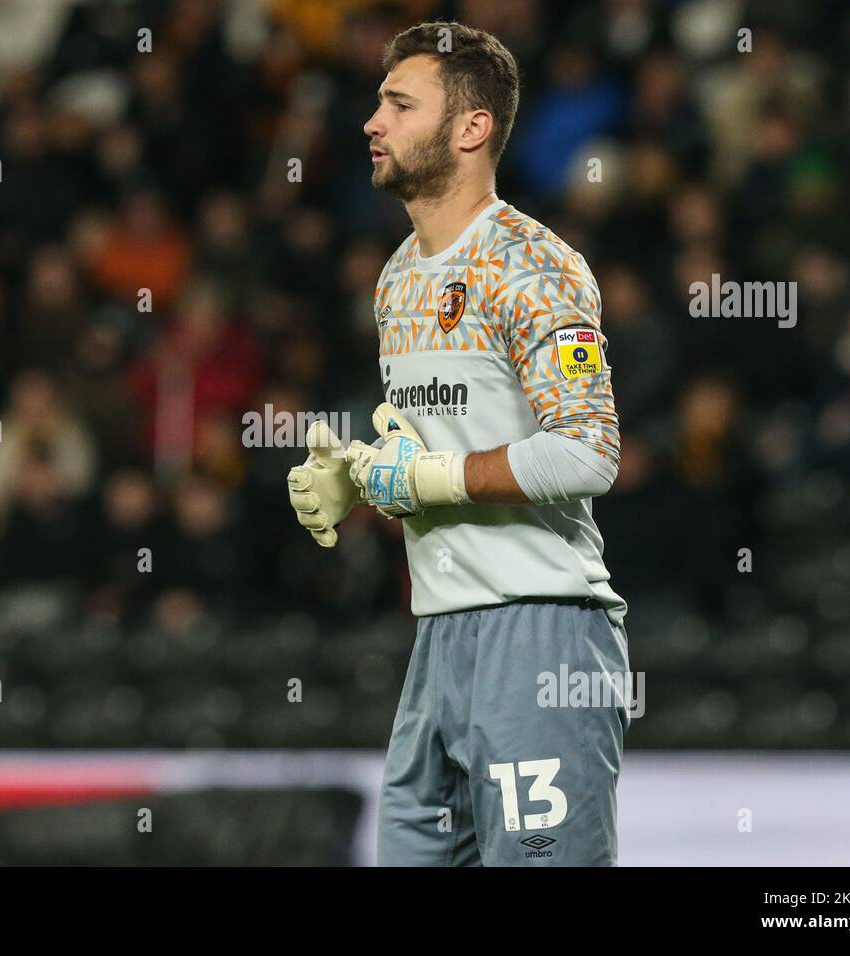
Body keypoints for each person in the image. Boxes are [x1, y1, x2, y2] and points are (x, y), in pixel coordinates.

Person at [287, 21, 631, 866]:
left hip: (540, 631)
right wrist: (360, 478)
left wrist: (430, 477)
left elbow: (588, 452)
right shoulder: (398, 276)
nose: (373, 122)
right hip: (439, 640)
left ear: (472, 127)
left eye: (400, 105)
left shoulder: (532, 265)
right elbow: (433, 448)